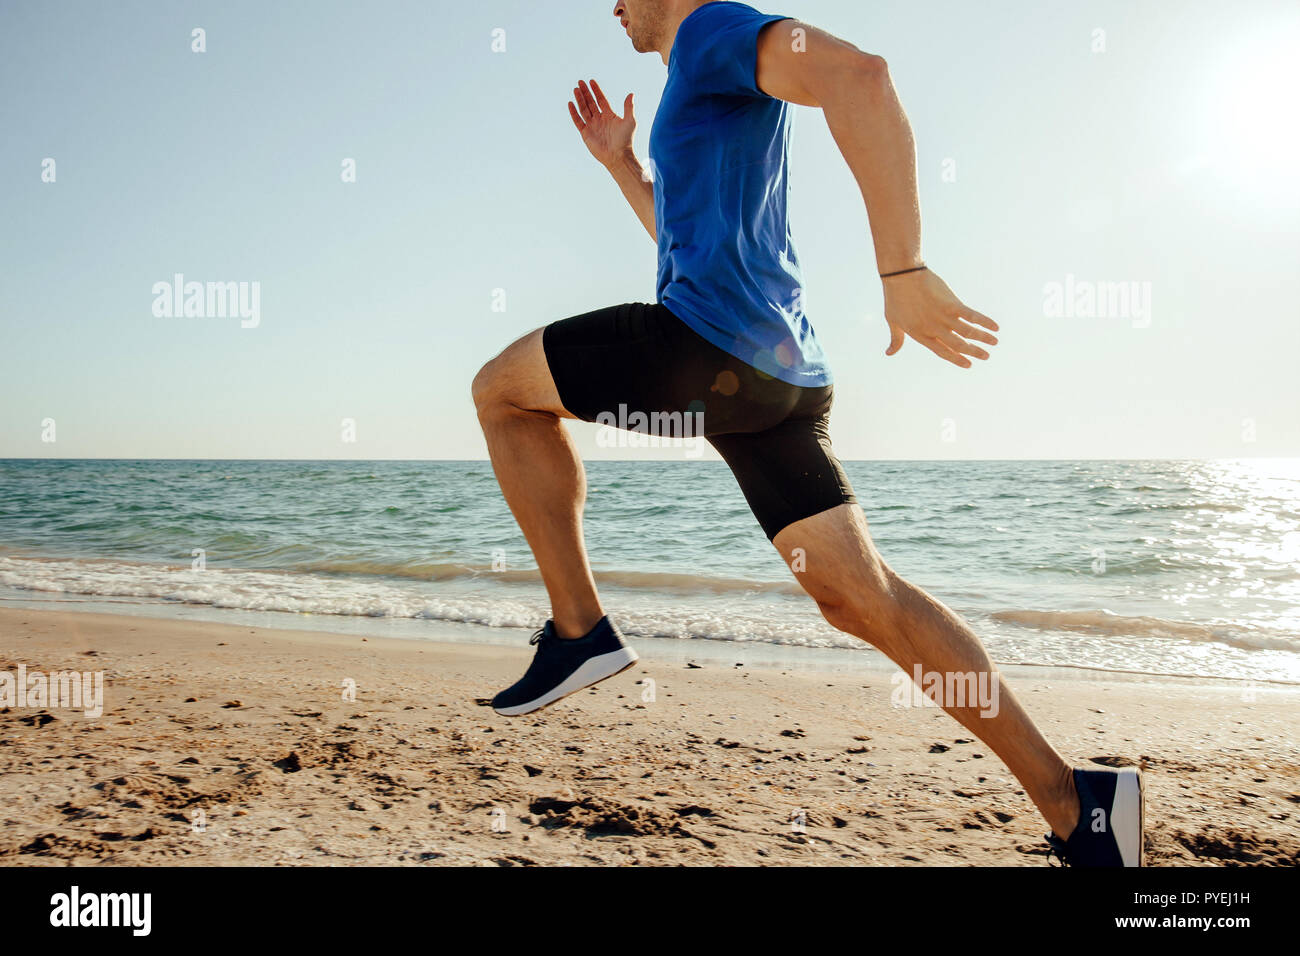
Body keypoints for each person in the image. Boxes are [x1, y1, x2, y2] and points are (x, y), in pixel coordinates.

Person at [471, 0, 1144, 866]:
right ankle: (1078, 804)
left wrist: (902, 267)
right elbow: (685, 247)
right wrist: (622, 166)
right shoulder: (695, 85)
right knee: (863, 601)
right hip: (773, 382)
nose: (612, 7)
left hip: (706, 354)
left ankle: (580, 631)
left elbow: (858, 74)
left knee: (502, 394)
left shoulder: (714, 30)